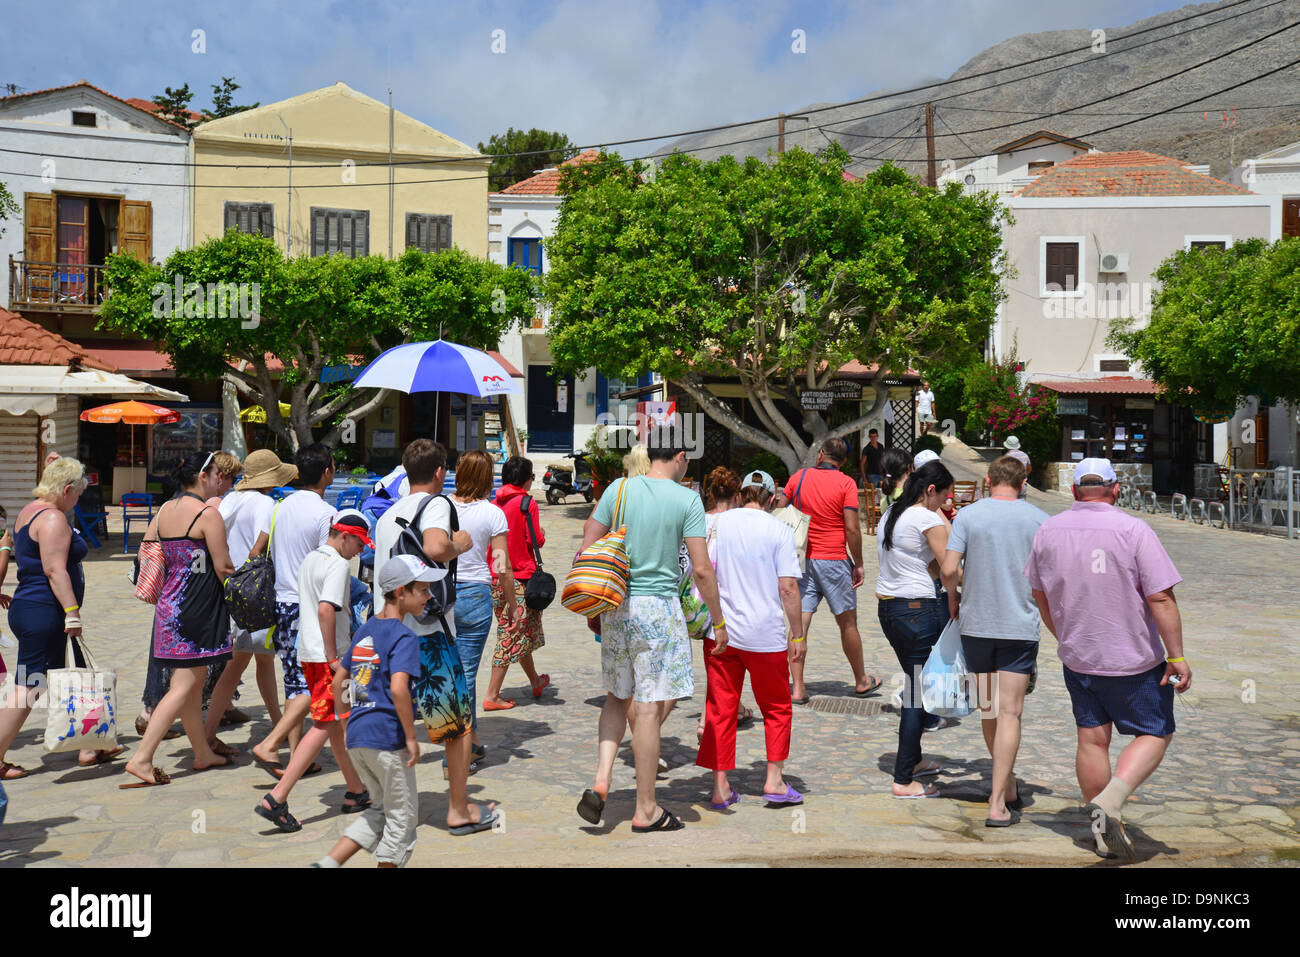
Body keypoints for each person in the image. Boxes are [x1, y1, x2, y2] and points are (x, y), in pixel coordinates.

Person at [1024, 458, 1189, 860]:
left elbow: (1039, 594)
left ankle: (1102, 830)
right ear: (1115, 489)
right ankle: (1112, 798)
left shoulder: (1049, 529)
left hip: (1079, 655)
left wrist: (1063, 634)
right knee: (1155, 731)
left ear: (1076, 491)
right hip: (1132, 658)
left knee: (1092, 738)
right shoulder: (1132, 529)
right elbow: (1160, 596)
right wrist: (1177, 656)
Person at [575, 429, 726, 833]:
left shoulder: (619, 489)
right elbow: (700, 568)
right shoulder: (686, 499)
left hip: (617, 607)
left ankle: (602, 778)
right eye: (687, 460)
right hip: (657, 609)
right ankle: (646, 808)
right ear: (678, 457)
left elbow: (589, 541)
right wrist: (719, 620)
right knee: (646, 709)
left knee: (615, 697)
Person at [374, 439, 496, 834]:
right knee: (455, 726)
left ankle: (389, 806)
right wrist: (458, 544)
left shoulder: (388, 513)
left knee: (391, 719)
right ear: (441, 471)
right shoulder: (438, 505)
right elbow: (435, 546)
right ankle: (458, 809)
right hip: (428, 633)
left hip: (389, 632)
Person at [940, 456, 1048, 826]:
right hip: (1018, 625)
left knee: (988, 708)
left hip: (975, 625)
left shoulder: (968, 516)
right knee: (1011, 712)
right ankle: (998, 799)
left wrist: (954, 597)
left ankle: (1006, 787)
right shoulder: (1039, 520)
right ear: (1023, 482)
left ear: (987, 480)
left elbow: (949, 568)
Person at [0, 458, 121, 777]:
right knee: (28, 686)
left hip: (33, 608)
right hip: (44, 611)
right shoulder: (52, 518)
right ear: (66, 490)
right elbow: (54, 570)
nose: (77, 500)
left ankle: (90, 742)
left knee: (58, 679)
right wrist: (72, 612)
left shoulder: (31, 509)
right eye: (77, 494)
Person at [122, 452, 236, 787]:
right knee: (183, 686)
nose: (220, 479)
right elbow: (224, 567)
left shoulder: (164, 512)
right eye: (217, 473)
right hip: (197, 608)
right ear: (203, 476)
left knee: (192, 683)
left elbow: (150, 555)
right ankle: (142, 759)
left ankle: (201, 752)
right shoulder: (206, 514)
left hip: (168, 607)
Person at [314, 555, 435, 867]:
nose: (429, 596)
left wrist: (344, 721)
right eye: (422, 590)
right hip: (387, 739)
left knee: (379, 811)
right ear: (400, 592)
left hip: (359, 736)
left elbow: (340, 679)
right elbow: (398, 689)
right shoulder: (404, 636)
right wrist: (410, 736)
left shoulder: (365, 630)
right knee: (402, 821)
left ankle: (326, 864)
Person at [256, 509, 372, 831]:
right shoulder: (337, 563)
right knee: (324, 725)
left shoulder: (311, 558)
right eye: (359, 544)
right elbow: (326, 610)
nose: (361, 551)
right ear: (345, 537)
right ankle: (276, 799)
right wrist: (336, 659)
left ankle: (356, 790)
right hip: (327, 657)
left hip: (308, 652)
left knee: (333, 724)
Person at [698, 470, 804, 809]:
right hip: (765, 635)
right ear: (772, 499)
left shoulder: (718, 524)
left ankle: (720, 786)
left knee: (720, 709)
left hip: (724, 631)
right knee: (776, 708)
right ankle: (773, 780)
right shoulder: (779, 530)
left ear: (742, 494)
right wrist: (798, 633)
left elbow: (704, 570)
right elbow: (788, 587)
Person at [773, 437, 881, 704]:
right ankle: (860, 681)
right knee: (847, 624)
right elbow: (853, 528)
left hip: (802, 560)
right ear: (843, 462)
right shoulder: (846, 483)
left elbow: (779, 509)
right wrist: (858, 563)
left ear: (820, 455)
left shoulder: (798, 477)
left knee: (800, 624)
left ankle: (798, 688)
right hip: (833, 559)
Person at [251, 444, 338, 775]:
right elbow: (324, 563)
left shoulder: (280, 507)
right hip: (309, 604)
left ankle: (297, 755)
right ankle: (272, 744)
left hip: (282, 601)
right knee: (316, 681)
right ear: (327, 472)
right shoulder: (324, 513)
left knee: (294, 680)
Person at [203, 450, 296, 747]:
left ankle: (276, 722)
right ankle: (207, 734)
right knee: (238, 665)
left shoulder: (230, 499)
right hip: (253, 593)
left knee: (262, 661)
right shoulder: (266, 503)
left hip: (230, 588)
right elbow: (260, 544)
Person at [875, 459, 955, 798]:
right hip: (916, 610)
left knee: (914, 682)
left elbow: (931, 563)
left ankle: (916, 759)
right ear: (931, 490)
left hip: (890, 608)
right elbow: (950, 566)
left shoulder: (893, 512)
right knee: (916, 692)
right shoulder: (924, 515)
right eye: (943, 497)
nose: (946, 505)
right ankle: (903, 777)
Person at [449, 452, 522, 771]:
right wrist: (513, 604)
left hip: (443, 593)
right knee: (465, 674)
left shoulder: (442, 507)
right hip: (476, 593)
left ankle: (467, 740)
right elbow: (502, 565)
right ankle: (462, 747)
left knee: (449, 674)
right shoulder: (493, 514)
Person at [484, 455, 545, 715]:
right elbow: (536, 541)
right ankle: (492, 694)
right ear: (526, 479)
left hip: (494, 575)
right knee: (511, 633)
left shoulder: (494, 502)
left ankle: (535, 681)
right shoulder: (526, 503)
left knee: (519, 631)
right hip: (519, 575)